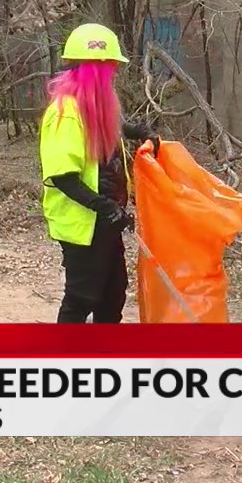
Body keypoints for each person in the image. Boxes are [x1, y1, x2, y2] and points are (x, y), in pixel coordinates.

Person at [38, 22, 161, 324]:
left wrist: (140, 131)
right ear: (94, 68)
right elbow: (62, 175)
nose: (114, 73)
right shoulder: (65, 112)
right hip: (83, 222)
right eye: (109, 67)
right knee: (82, 296)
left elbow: (113, 127)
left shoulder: (95, 103)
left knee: (113, 292)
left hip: (105, 219)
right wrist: (103, 206)